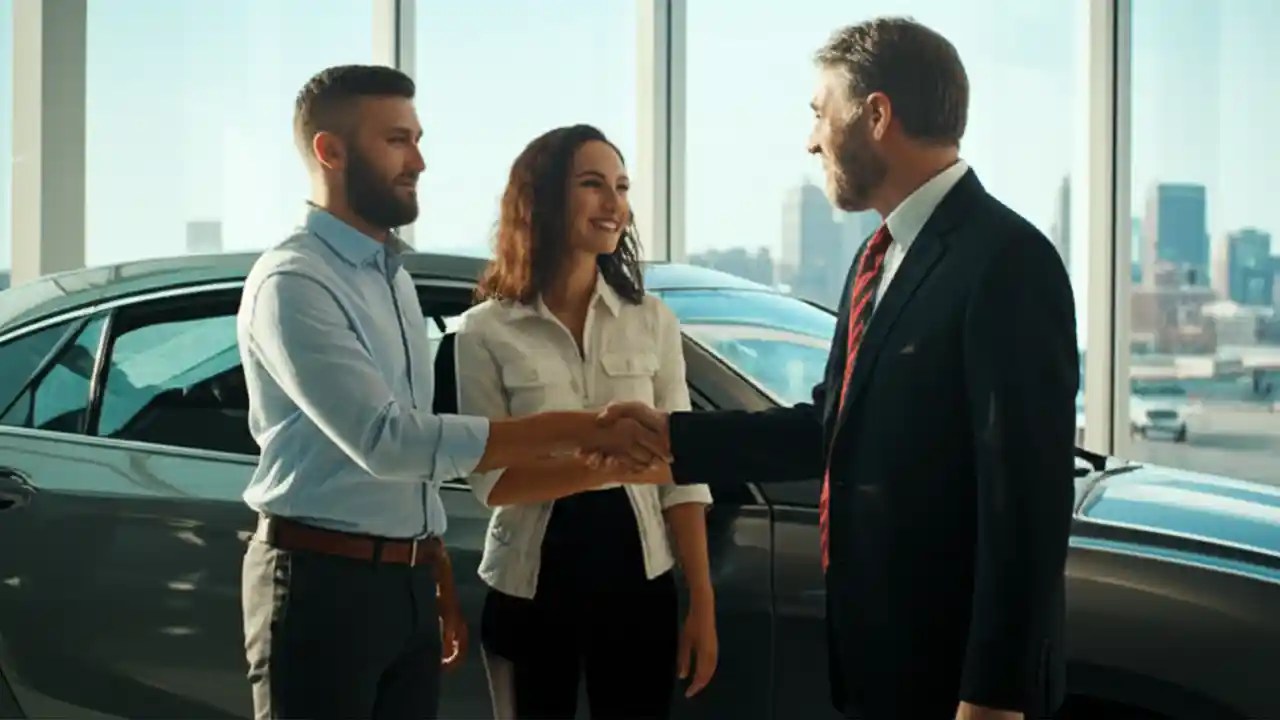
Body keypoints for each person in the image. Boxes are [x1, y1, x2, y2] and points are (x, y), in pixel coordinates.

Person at [601, 17, 1078, 720]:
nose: (812, 139)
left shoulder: (1007, 261)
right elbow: (833, 428)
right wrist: (672, 440)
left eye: (821, 113)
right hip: (877, 664)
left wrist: (994, 696)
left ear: (877, 114)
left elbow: (1027, 505)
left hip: (956, 684)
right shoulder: (874, 261)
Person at [236, 66, 670, 720]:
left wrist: (431, 565)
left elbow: (413, 450)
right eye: (397, 140)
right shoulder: (293, 282)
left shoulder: (392, 279)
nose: (420, 160)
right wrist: (582, 430)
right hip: (321, 584)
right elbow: (388, 441)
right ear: (331, 151)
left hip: (404, 580)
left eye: (416, 139)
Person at [449, 124, 718, 720]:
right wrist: (612, 462)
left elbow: (683, 475)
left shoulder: (653, 320)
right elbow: (493, 480)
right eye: (592, 184)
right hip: (527, 588)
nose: (614, 202)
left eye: (621, 186)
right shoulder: (484, 331)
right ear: (542, 198)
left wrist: (701, 600)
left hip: (639, 585)